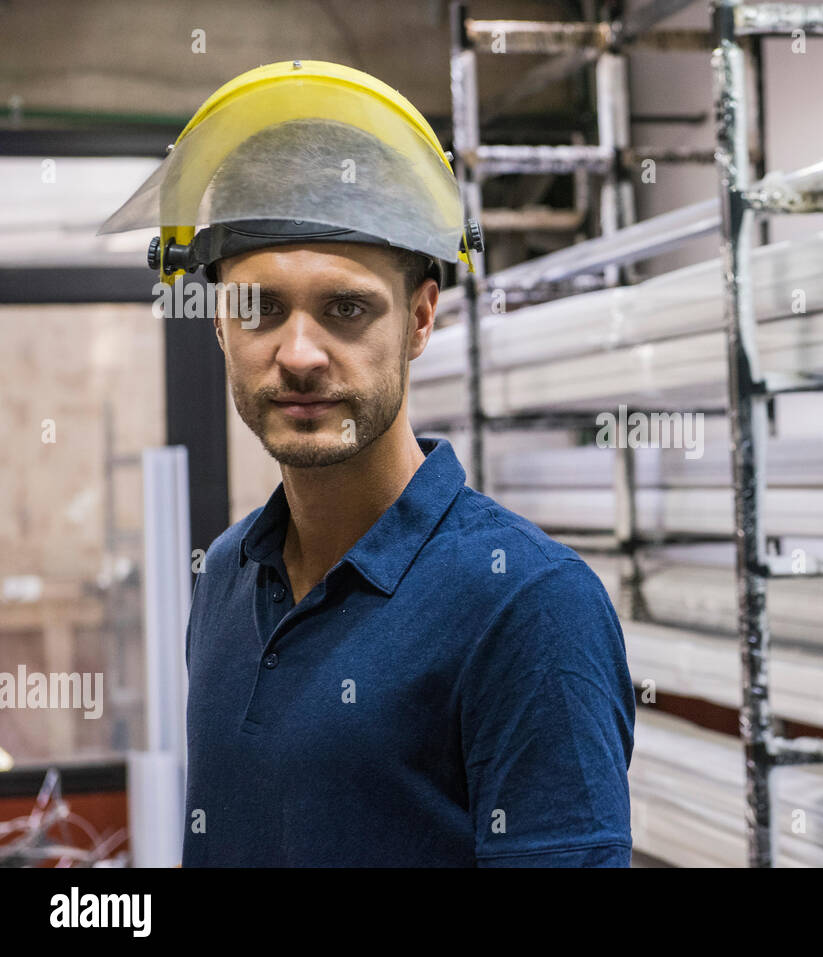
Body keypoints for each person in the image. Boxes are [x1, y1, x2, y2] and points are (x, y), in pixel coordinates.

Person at [100, 60, 636, 866]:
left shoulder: (529, 606)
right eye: (260, 308)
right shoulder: (223, 577)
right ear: (217, 321)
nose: (300, 354)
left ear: (421, 319)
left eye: (346, 308)